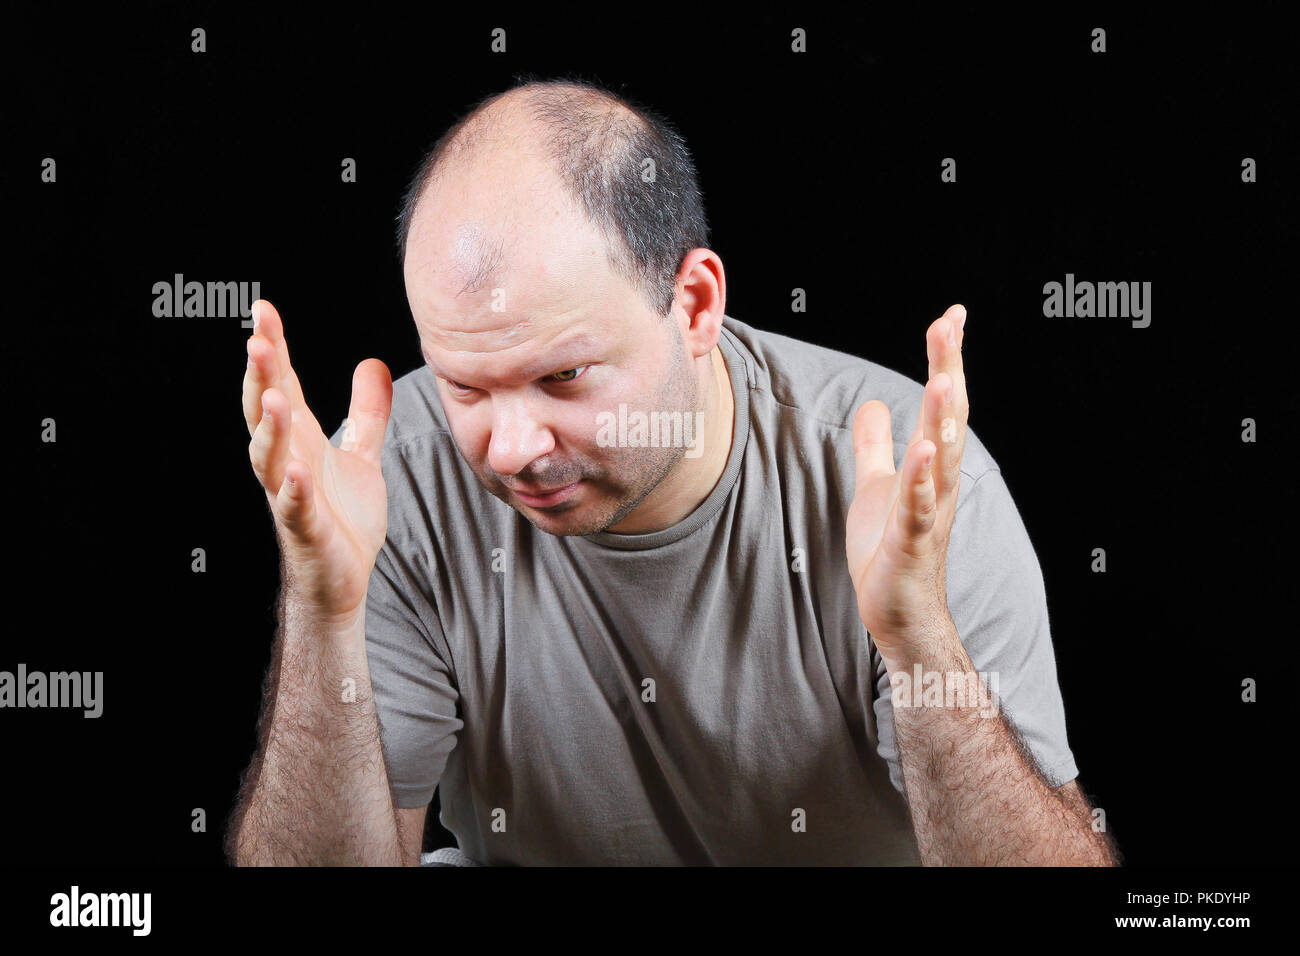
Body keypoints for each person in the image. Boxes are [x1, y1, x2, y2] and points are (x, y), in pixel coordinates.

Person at [228, 75, 1119, 866]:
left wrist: (916, 632)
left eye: (564, 376)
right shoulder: (392, 480)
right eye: (465, 383)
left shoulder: (913, 487)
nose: (509, 449)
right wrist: (322, 605)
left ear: (693, 304)